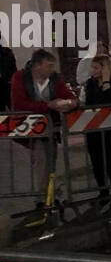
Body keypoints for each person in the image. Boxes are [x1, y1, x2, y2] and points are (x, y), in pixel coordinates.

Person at [11, 48, 78, 186]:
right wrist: (48, 105)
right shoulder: (20, 77)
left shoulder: (54, 78)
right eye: (49, 66)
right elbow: (19, 103)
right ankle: (43, 197)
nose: (51, 69)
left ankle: (49, 193)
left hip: (50, 127)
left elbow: (67, 94)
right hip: (31, 126)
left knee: (50, 161)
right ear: (37, 65)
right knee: (41, 161)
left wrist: (71, 102)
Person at [81, 53, 111, 211]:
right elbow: (91, 102)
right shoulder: (90, 84)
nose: (93, 71)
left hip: (110, 130)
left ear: (105, 68)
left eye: (96, 67)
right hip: (94, 130)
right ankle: (103, 191)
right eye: (92, 67)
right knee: (97, 162)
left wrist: (106, 82)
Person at [0, 37, 16, 111]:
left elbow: (13, 70)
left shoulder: (7, 53)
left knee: (15, 112)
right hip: (7, 87)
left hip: (8, 88)